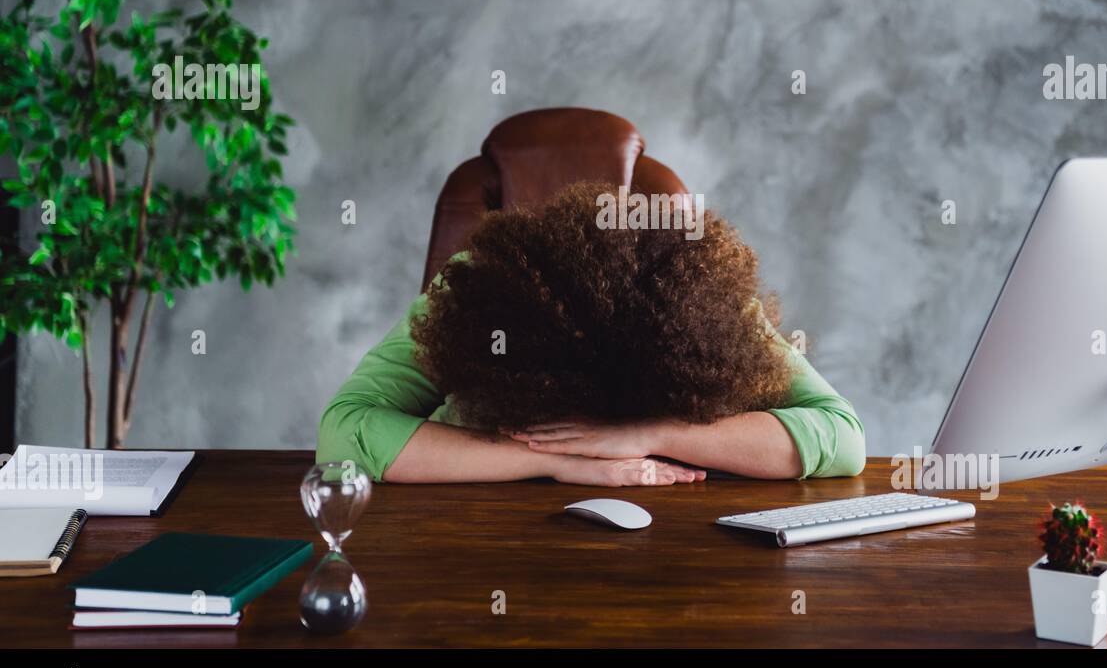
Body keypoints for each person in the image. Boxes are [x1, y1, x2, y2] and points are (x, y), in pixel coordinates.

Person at [317, 182, 865, 486]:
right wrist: (554, 460)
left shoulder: (708, 301)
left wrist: (653, 434)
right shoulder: (482, 287)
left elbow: (842, 436)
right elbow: (344, 433)